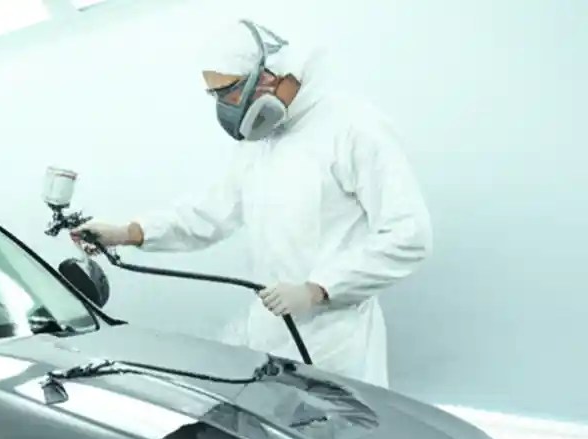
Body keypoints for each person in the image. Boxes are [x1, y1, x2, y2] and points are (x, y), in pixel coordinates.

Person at [71, 20, 432, 388]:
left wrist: (319, 288)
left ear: (267, 77)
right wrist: (128, 232)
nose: (224, 107)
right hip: (270, 336)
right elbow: (211, 212)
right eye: (214, 96)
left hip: (335, 343)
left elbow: (408, 235)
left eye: (226, 91)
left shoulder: (353, 127)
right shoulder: (260, 142)